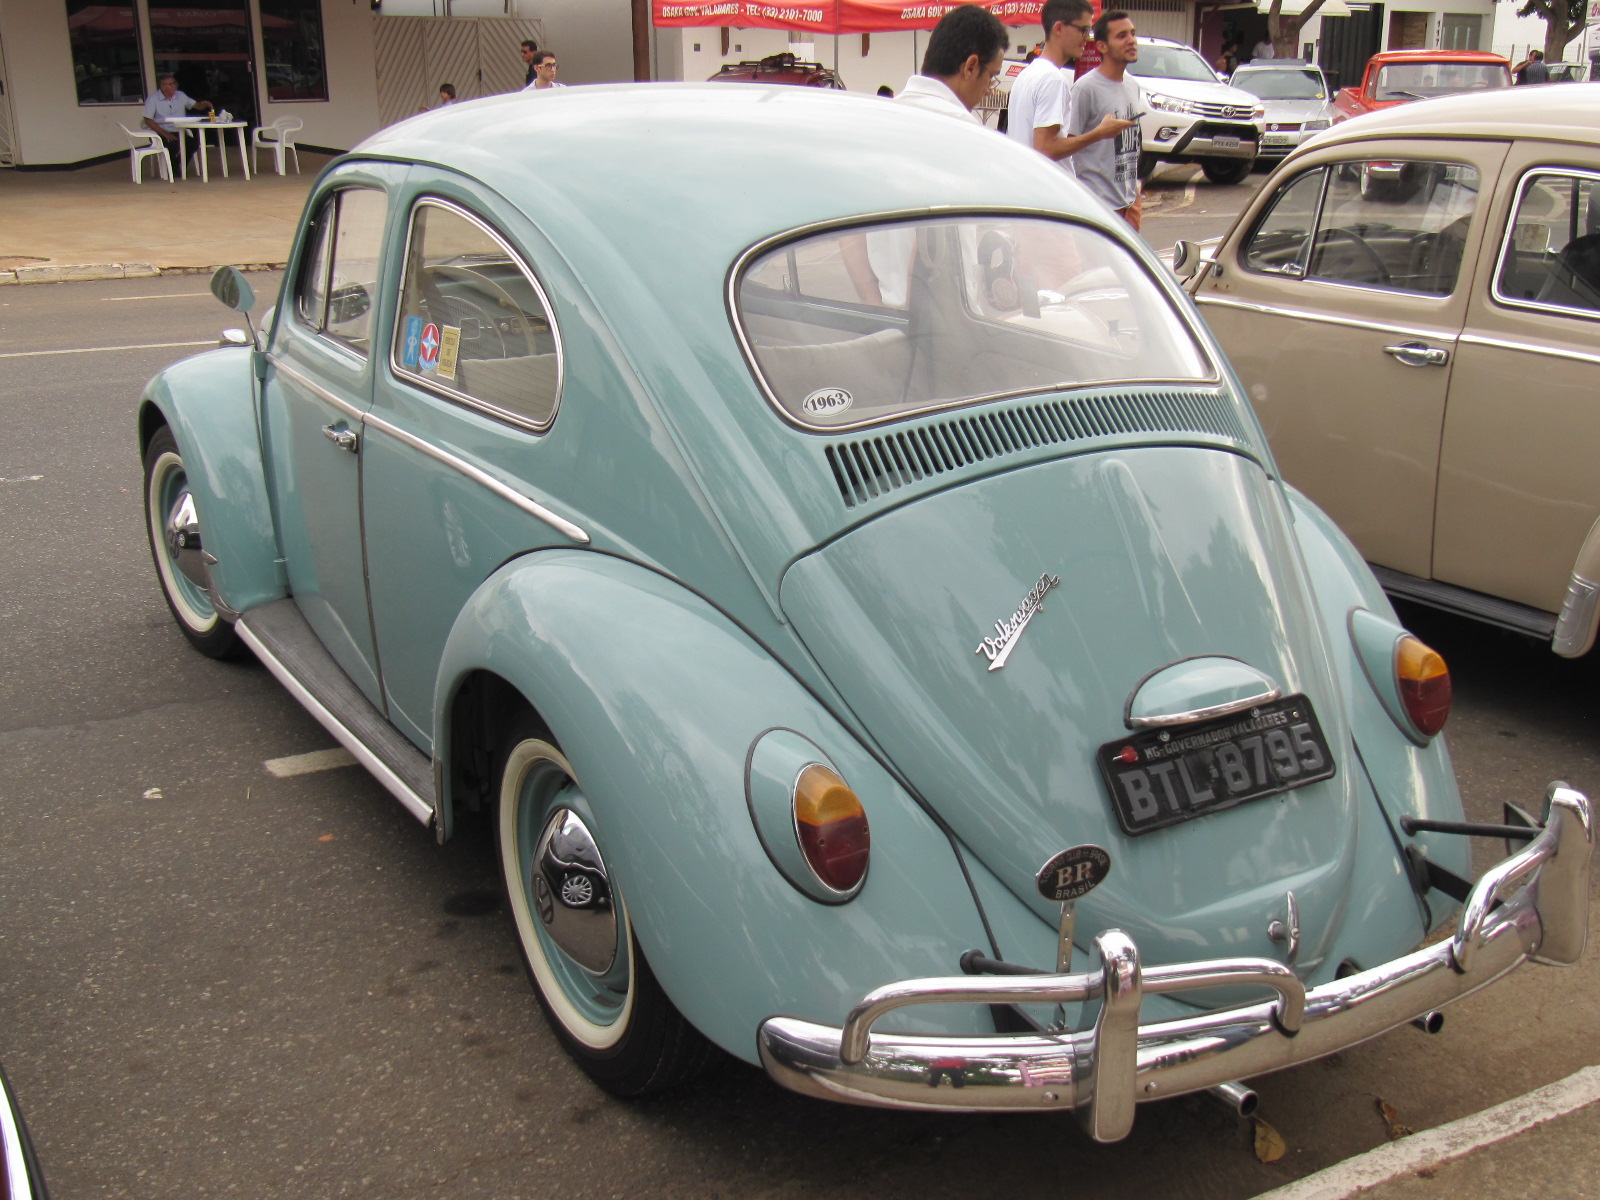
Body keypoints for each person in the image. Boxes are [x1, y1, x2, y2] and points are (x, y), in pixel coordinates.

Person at [1006, 0, 1133, 179]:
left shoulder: (1028, 74)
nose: (1087, 38)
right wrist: (1099, 133)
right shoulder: (1053, 79)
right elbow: (1045, 148)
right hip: (1047, 191)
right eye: (1083, 30)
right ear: (1058, 28)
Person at [1067, 11, 1144, 229]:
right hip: (1099, 207)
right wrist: (1099, 133)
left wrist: (1136, 192)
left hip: (1130, 204)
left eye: (1132, 33)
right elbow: (1066, 148)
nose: (1131, 40)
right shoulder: (1085, 89)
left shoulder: (1132, 85)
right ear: (1102, 46)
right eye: (1121, 36)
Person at [893, 4, 1009, 124]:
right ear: (971, 67)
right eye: (991, 77)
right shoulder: (962, 126)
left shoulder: (887, 112)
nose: (988, 91)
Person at [142, 74, 212, 147]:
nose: (174, 86)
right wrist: (165, 134)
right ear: (162, 86)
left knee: (193, 144)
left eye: (174, 83)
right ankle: (176, 159)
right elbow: (148, 120)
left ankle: (180, 159)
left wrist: (204, 104)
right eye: (170, 84)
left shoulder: (180, 95)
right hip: (160, 132)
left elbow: (196, 106)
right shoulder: (153, 98)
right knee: (174, 146)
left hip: (180, 131)